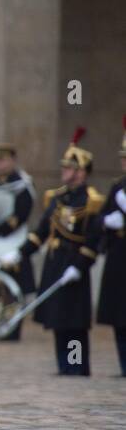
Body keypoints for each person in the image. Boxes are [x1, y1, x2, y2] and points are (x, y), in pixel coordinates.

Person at [3, 127, 104, 376]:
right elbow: (40, 233)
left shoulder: (90, 200)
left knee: (75, 320)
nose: (64, 172)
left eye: (69, 168)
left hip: (74, 263)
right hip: (55, 261)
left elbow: (93, 241)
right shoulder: (57, 198)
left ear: (81, 172)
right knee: (59, 318)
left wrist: (79, 267)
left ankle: (77, 366)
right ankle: (64, 364)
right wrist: (20, 252)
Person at [0, 142, 35, 341]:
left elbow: (20, 215)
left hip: (11, 243)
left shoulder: (22, 185)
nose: (0, 164)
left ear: (12, 160)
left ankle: (11, 328)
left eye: (3, 160)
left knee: (11, 289)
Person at [95, 118, 126, 375]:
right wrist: (107, 220)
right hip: (118, 255)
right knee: (119, 314)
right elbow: (99, 217)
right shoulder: (118, 186)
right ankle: (123, 363)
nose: (124, 162)